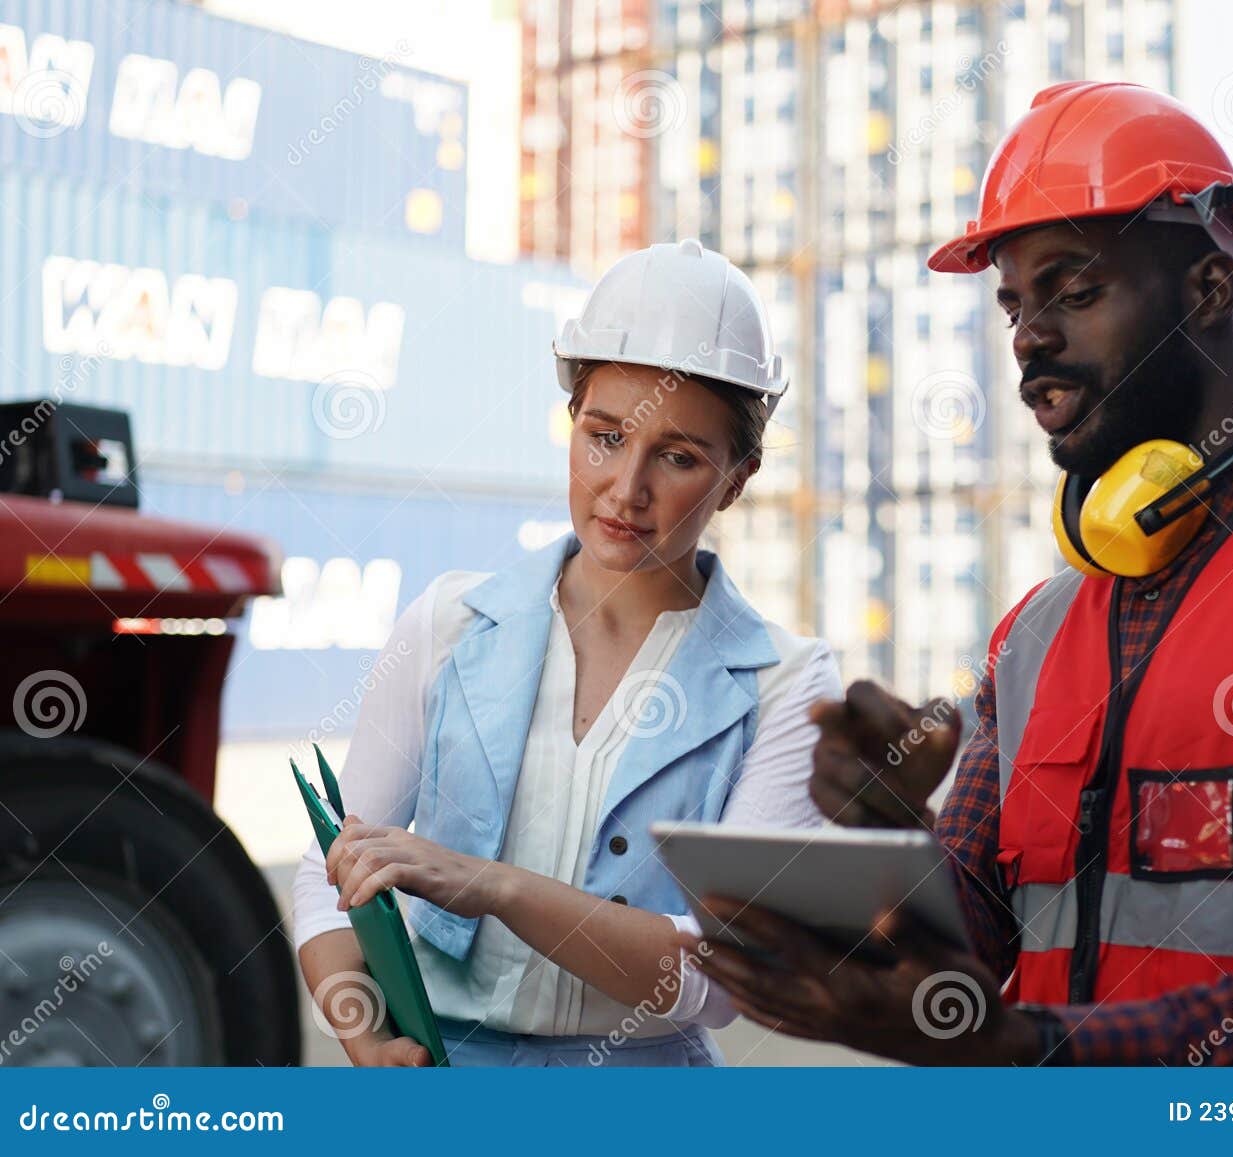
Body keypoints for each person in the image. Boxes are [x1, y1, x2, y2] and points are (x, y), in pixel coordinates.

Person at [691, 81, 1233, 1066]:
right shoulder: (1035, 636)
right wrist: (884, 832)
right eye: (1014, 305)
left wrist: (1024, 1050)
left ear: (1209, 289)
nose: (1029, 336)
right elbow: (967, 950)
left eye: (1073, 291)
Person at [292, 238, 841, 1067]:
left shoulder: (788, 685)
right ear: (572, 420)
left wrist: (497, 886)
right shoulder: (448, 623)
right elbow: (329, 871)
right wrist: (365, 1035)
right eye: (605, 436)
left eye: (678, 457)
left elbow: (729, 974)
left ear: (737, 477)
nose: (626, 489)